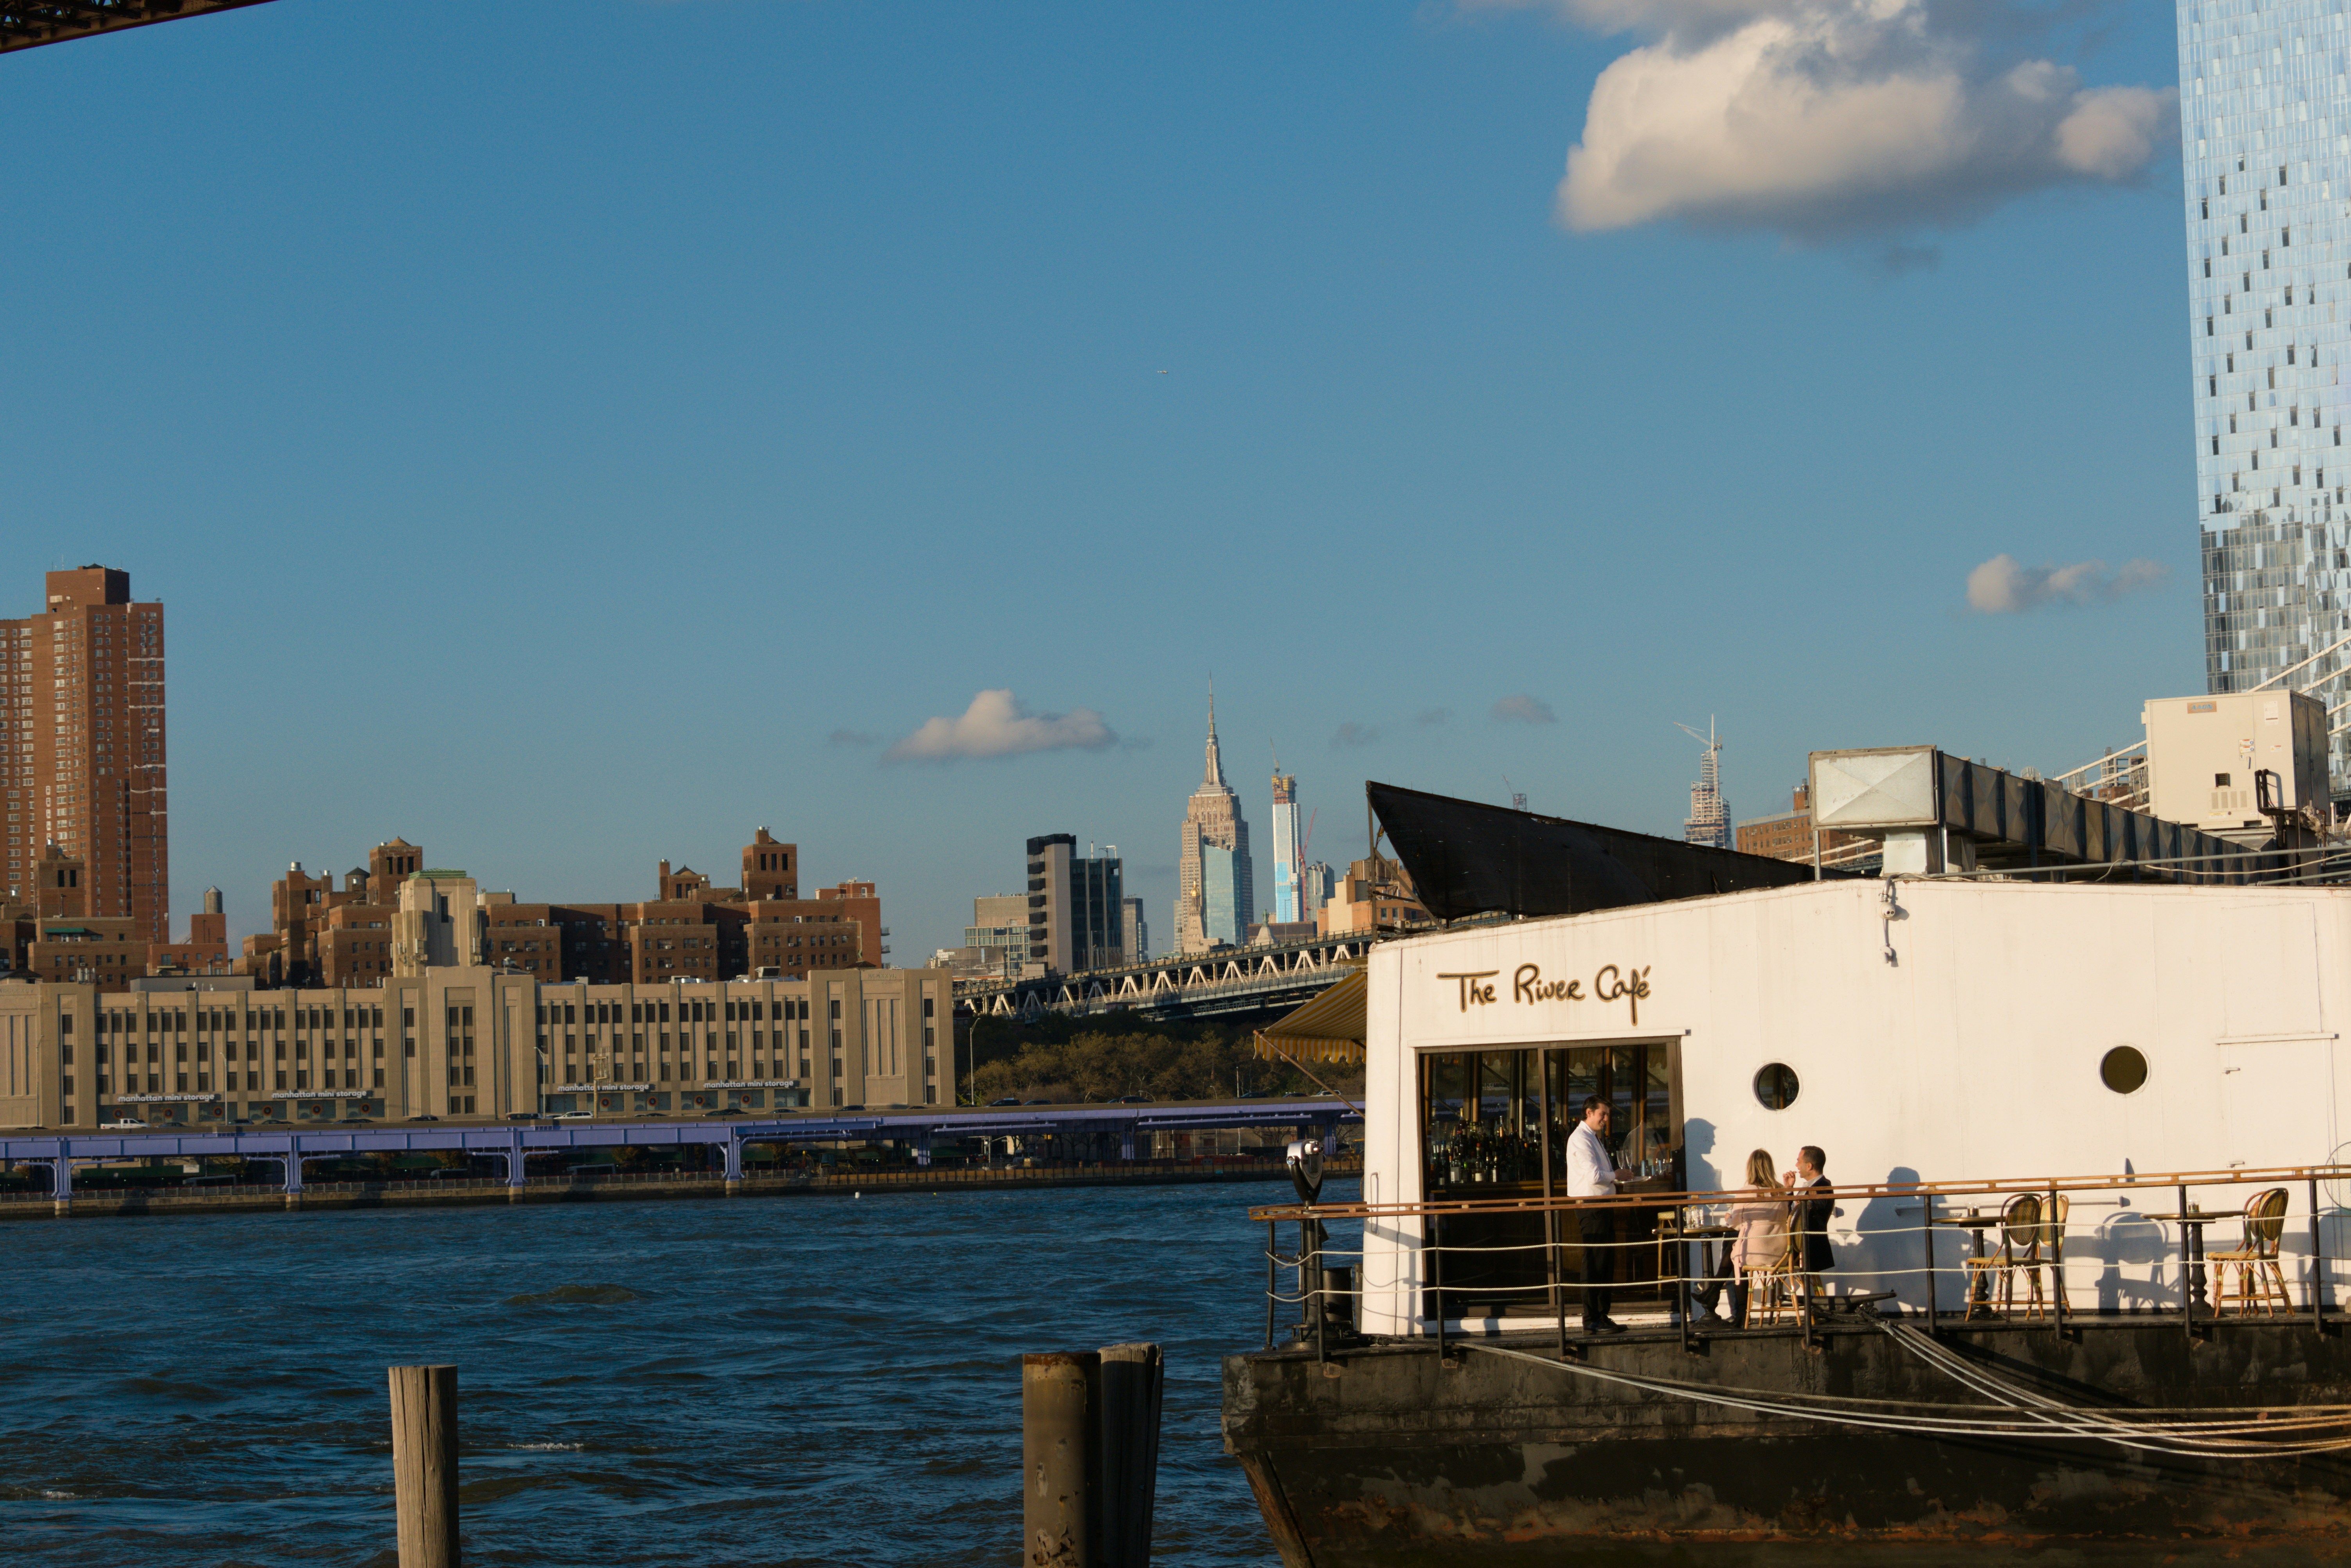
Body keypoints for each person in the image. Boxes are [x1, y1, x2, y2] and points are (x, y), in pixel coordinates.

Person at [1566, 1094, 1636, 1334]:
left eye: (1607, 1115)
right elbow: (1595, 1176)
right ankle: (1591, 1319)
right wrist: (1616, 1175)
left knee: (1604, 1263)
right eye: (1602, 1114)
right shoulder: (1580, 1139)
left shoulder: (1591, 1138)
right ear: (1589, 1113)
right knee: (1595, 1263)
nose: (1606, 1119)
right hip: (1591, 1206)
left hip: (1601, 1205)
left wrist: (1615, 1177)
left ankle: (1601, 1316)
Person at [1692, 1149, 1787, 1326]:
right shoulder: (1780, 1190)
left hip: (1757, 1251)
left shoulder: (1747, 1191)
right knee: (1735, 1248)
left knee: (1738, 1256)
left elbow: (1735, 1223)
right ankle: (1712, 1293)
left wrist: (1728, 1218)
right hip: (1781, 1251)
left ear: (1750, 1169)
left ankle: (1739, 1311)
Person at [1783, 1145, 1836, 1305]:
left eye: (1799, 1161)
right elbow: (1791, 1215)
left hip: (1804, 1249)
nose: (1796, 1166)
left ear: (1809, 1166)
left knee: (1744, 1251)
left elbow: (1817, 1205)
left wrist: (1807, 1202)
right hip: (1794, 1246)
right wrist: (1789, 1191)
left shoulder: (1823, 1185)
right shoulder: (1808, 1188)